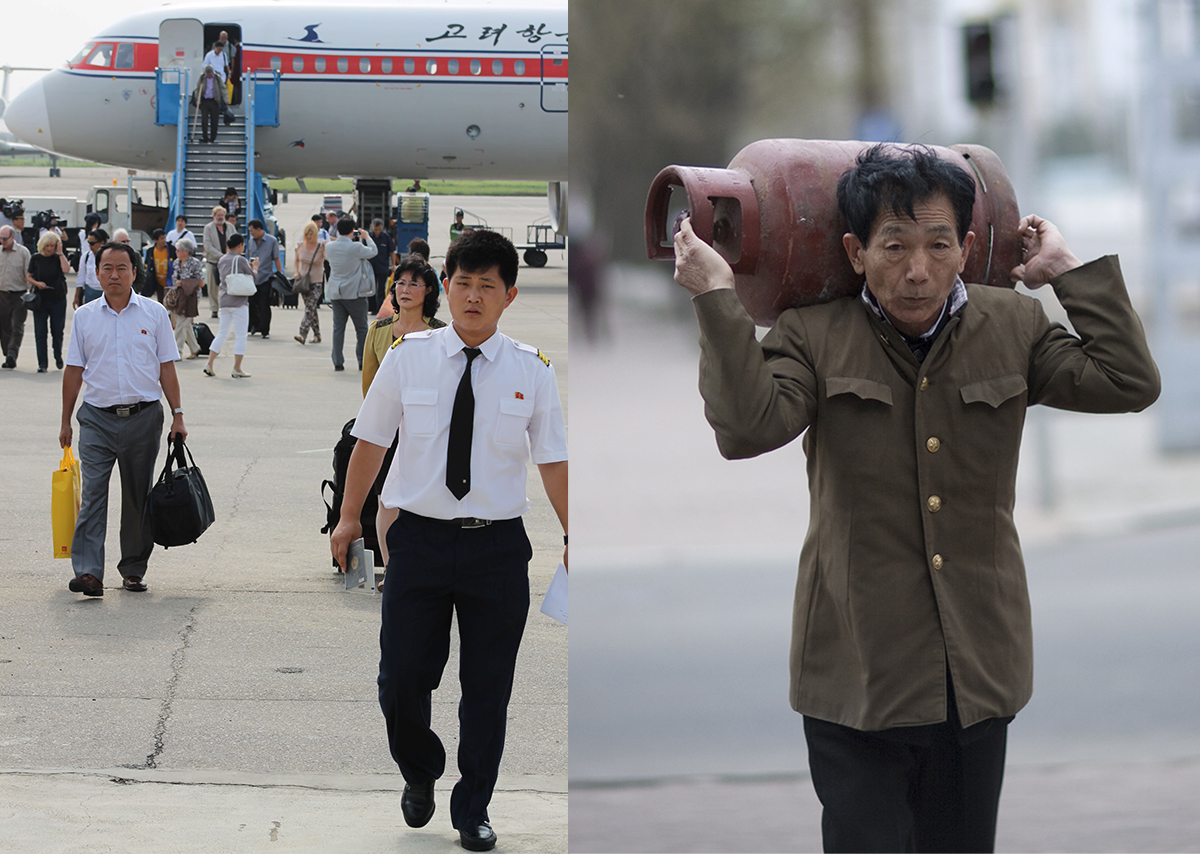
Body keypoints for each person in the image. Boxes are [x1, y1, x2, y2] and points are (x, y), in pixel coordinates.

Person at [671, 144, 1161, 853]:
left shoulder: (1013, 327)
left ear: (966, 249)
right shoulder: (813, 335)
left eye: (938, 244)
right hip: (856, 678)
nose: (918, 269)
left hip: (977, 673)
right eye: (894, 246)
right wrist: (716, 299)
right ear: (857, 252)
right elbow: (746, 428)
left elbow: (1128, 380)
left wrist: (1065, 272)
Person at [330, 229, 567, 852]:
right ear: (447, 286)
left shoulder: (533, 370)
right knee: (401, 677)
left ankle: (473, 808)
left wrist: (577, 532)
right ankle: (419, 768)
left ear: (509, 296)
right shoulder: (408, 356)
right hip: (419, 541)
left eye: (488, 286)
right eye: (463, 283)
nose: (473, 296)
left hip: (497, 549)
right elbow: (370, 441)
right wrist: (349, 518)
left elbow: (553, 461)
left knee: (488, 688)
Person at [59, 240, 186, 596]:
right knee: (93, 495)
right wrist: (66, 420)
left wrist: (178, 415)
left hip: (143, 419)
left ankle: (133, 569)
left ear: (134, 273)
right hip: (96, 419)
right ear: (97, 274)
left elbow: (166, 368)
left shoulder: (154, 314)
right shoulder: (84, 317)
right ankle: (88, 572)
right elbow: (73, 371)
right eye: (107, 268)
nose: (114, 275)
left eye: (121, 268)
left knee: (137, 498)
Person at [361, 258, 446, 578]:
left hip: (429, 430)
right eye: (400, 283)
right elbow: (369, 385)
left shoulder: (442, 333)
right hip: (389, 430)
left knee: (427, 499)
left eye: (414, 284)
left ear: (429, 291)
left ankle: (426, 566)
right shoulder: (378, 330)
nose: (405, 289)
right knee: (386, 499)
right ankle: (392, 569)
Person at [324, 218, 377, 372]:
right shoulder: (356, 247)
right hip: (354, 294)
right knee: (361, 329)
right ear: (352, 230)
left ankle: (337, 361)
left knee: (338, 329)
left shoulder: (329, 247)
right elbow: (373, 251)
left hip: (336, 293)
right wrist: (367, 237)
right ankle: (362, 361)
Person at [205, 232, 253, 379]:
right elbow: (253, 277)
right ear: (240, 245)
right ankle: (237, 368)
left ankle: (209, 363)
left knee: (222, 333)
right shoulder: (241, 259)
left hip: (224, 300)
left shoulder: (222, 259)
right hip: (239, 301)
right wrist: (255, 267)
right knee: (241, 335)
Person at [26, 231, 71, 373]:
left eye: (52, 246)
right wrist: (37, 283)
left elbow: (66, 270)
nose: (49, 249)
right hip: (41, 299)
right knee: (40, 333)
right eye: (47, 246)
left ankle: (58, 356)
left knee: (57, 331)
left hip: (58, 298)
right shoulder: (36, 258)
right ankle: (42, 363)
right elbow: (29, 276)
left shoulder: (58, 258)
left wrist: (60, 252)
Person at [0, 224, 32, 369]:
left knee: (17, 326)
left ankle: (12, 355)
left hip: (19, 295)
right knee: (4, 326)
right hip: (2, 294)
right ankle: (7, 352)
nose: (2, 241)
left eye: (5, 239)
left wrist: (31, 293)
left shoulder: (23, 253)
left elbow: (29, 274)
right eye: (0, 238)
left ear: (12, 237)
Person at [246, 218, 282, 338]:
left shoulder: (272, 241)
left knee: (264, 305)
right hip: (252, 278)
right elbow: (248, 258)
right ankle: (254, 325)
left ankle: (265, 330)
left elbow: (276, 258)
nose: (251, 233)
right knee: (251, 304)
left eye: (252, 231)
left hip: (265, 278)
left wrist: (279, 275)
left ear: (259, 229)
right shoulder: (251, 242)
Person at [170, 237, 203, 359]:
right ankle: (195, 348)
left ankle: (177, 352)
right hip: (179, 296)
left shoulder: (195, 263)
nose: (176, 252)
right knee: (185, 323)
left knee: (181, 323)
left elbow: (201, 282)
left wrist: (184, 283)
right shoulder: (176, 262)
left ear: (186, 251)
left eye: (178, 250)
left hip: (192, 297)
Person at [293, 220, 325, 345]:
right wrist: (296, 272)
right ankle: (317, 335)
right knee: (311, 309)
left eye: (311, 234)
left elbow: (328, 258)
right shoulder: (301, 246)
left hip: (317, 282)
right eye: (307, 234)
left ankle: (302, 333)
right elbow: (296, 260)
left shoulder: (320, 247)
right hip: (304, 282)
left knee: (310, 307)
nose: (309, 236)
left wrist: (326, 247)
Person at [203, 206, 233, 318]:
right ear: (214, 216)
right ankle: (214, 309)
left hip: (227, 262)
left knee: (227, 286)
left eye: (222, 215)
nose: (220, 217)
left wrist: (229, 255)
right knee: (212, 287)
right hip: (213, 261)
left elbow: (235, 240)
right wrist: (221, 256)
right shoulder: (208, 228)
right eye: (218, 215)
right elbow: (208, 246)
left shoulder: (230, 227)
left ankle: (226, 307)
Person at [366, 218, 396, 314]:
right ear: (372, 227)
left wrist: (393, 265)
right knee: (371, 288)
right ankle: (372, 308)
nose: (377, 231)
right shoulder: (368, 238)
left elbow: (392, 252)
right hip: (370, 267)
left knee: (381, 289)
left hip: (382, 266)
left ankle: (379, 308)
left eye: (379, 229)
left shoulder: (386, 237)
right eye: (376, 229)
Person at [73, 227, 108, 307]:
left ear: (102, 243)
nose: (89, 246)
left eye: (92, 243)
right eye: (88, 243)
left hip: (106, 293)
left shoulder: (111, 257)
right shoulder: (86, 256)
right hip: (90, 293)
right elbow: (81, 278)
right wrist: (77, 296)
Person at [191, 65, 226, 144]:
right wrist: (198, 99)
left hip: (214, 101)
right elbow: (198, 89)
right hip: (205, 101)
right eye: (206, 74)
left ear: (212, 73)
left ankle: (213, 138)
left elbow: (222, 88)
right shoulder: (202, 78)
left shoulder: (217, 78)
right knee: (204, 120)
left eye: (209, 74)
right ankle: (205, 137)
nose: (208, 75)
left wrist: (225, 99)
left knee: (214, 120)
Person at [142, 228, 175, 303]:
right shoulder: (151, 251)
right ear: (155, 240)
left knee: (171, 303)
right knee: (160, 302)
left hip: (170, 281)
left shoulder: (171, 249)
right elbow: (147, 264)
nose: (164, 240)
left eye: (164, 238)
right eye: (161, 238)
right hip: (157, 281)